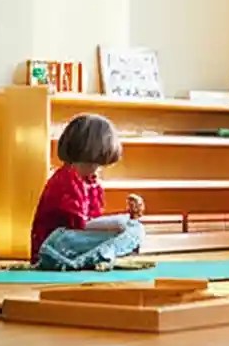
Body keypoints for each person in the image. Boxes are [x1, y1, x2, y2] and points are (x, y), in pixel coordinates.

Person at [30, 114, 146, 271]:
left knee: (136, 229)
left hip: (74, 240)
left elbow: (93, 221)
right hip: (54, 244)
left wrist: (127, 220)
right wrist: (120, 222)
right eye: (95, 163)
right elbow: (82, 224)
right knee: (130, 229)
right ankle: (94, 257)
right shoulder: (66, 179)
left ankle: (96, 256)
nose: (98, 169)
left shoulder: (91, 182)